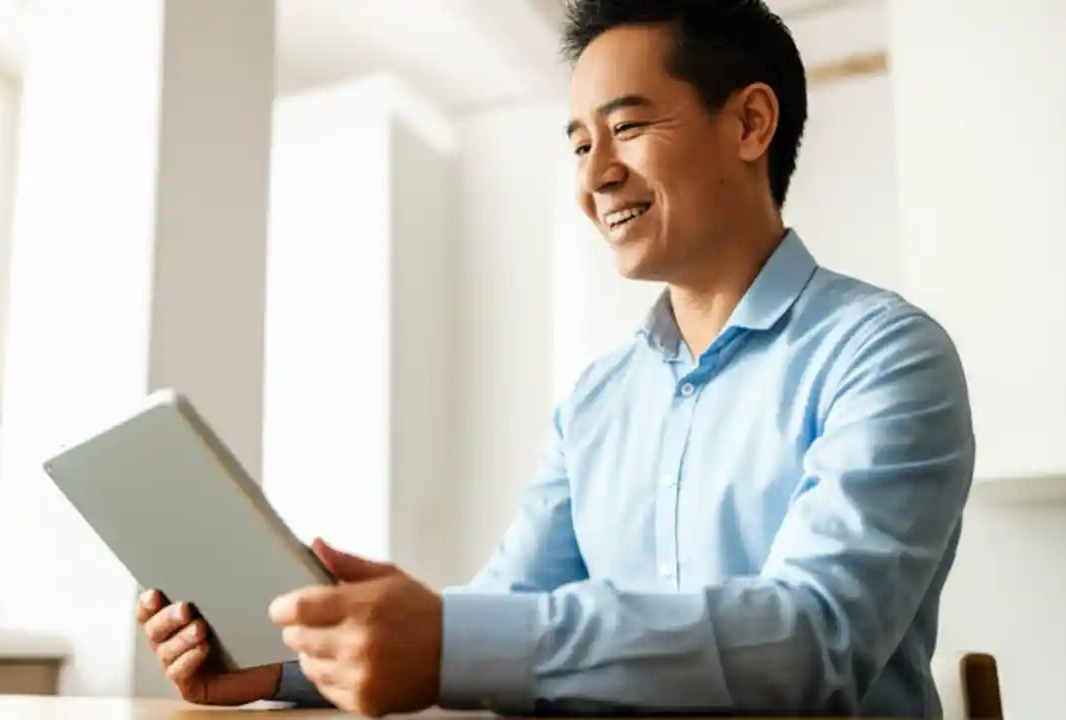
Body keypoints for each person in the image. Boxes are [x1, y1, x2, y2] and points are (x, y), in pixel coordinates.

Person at [136, 0, 974, 716]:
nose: (597, 176)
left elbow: (813, 640)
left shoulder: (886, 355)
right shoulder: (596, 399)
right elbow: (511, 613)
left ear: (751, 122)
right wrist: (293, 664)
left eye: (629, 126)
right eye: (579, 144)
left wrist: (447, 636)